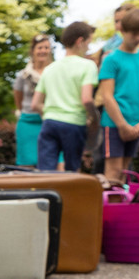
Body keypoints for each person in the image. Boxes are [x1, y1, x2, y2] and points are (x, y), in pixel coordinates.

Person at [97, 7, 139, 184]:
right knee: (113, 172)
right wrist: (122, 125)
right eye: (134, 34)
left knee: (125, 171)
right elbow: (107, 96)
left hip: (137, 123)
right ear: (123, 30)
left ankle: (122, 202)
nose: (138, 38)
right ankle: (111, 202)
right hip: (114, 123)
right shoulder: (111, 59)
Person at [34, 21, 98, 172]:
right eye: (88, 43)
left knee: (45, 172)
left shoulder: (50, 69)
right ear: (80, 41)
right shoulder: (88, 66)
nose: (89, 47)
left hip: (49, 123)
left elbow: (35, 104)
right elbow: (87, 99)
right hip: (74, 124)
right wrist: (94, 118)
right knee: (72, 172)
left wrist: (51, 113)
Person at [13, 34, 52, 167]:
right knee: (26, 162)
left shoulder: (54, 72)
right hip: (27, 121)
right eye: (40, 48)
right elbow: (18, 97)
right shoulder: (23, 75)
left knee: (49, 161)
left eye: (46, 47)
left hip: (48, 121)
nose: (43, 51)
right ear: (33, 50)